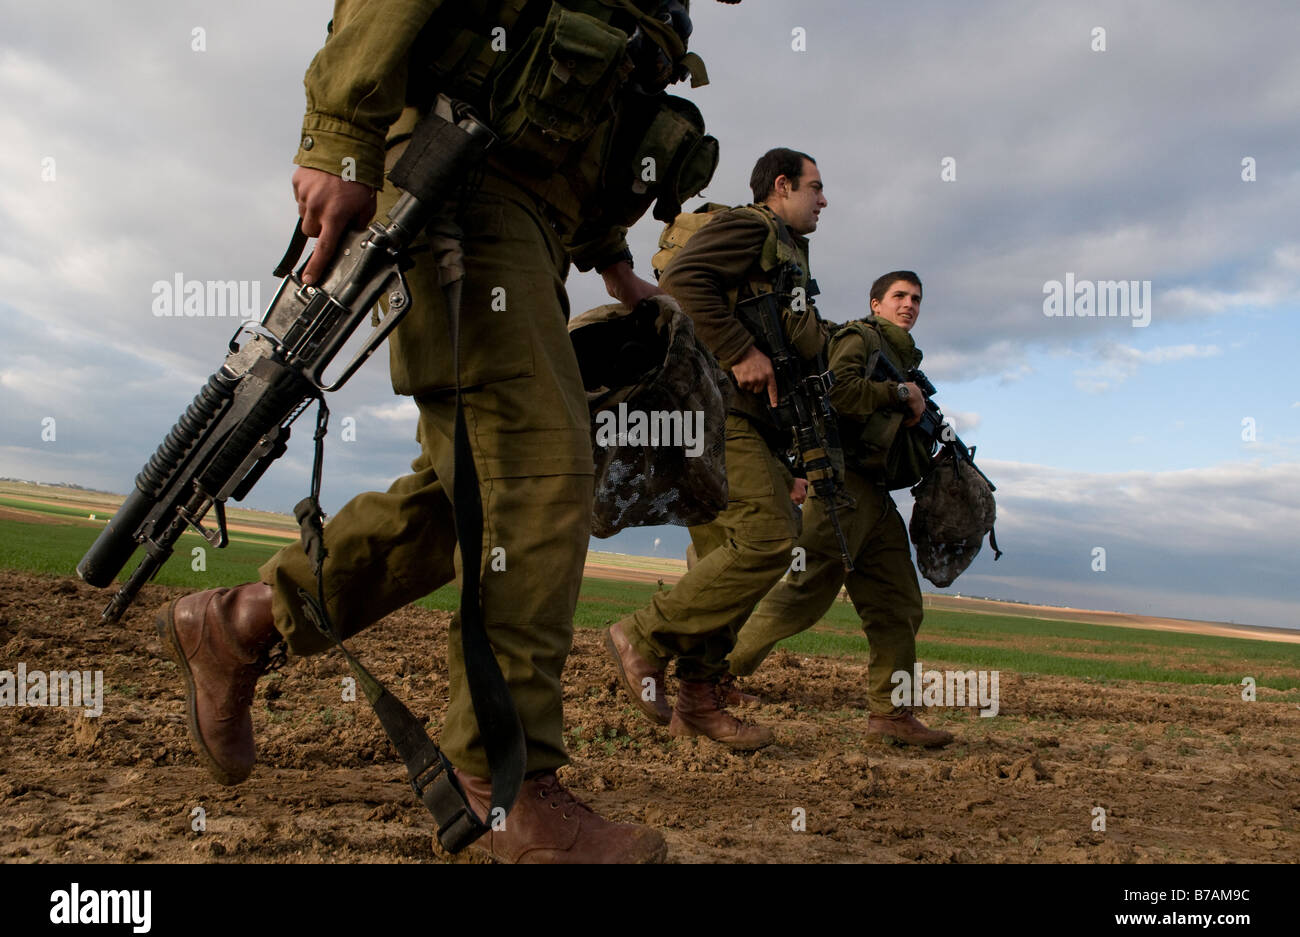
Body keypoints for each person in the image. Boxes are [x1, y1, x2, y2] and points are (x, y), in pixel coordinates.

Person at [156, 0, 737, 865]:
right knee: (538, 476)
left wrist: (611, 251)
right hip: (458, 180)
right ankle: (507, 782)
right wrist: (341, 135)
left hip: (536, 221)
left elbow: (599, 100)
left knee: (478, 493)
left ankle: (240, 622)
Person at [605, 147, 830, 750]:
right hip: (724, 413)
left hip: (748, 421)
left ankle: (699, 700)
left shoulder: (788, 256)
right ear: (781, 186)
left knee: (719, 561)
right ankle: (642, 635)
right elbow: (682, 281)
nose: (824, 200)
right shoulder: (753, 226)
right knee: (769, 539)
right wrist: (737, 349)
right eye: (815, 187)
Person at [727, 271, 955, 747]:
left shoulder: (906, 361)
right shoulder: (860, 338)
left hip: (876, 497)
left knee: (898, 605)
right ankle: (707, 676)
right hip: (840, 488)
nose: (908, 304)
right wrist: (897, 394)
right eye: (899, 296)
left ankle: (890, 715)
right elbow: (838, 392)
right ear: (876, 303)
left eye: (916, 298)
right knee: (801, 596)